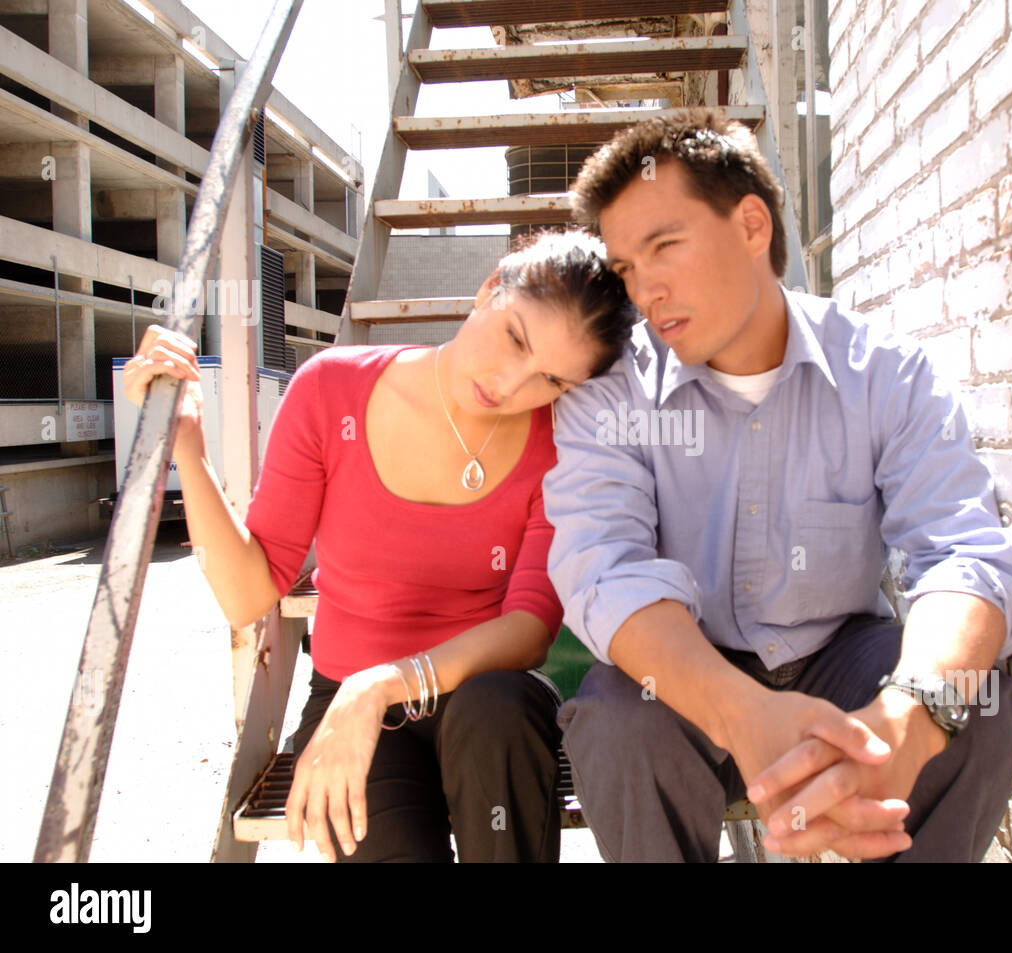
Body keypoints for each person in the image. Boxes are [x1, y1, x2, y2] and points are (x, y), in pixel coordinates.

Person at [543, 110, 1012, 862]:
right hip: (688, 662)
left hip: (840, 651)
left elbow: (964, 555)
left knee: (979, 699)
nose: (645, 289)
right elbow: (603, 571)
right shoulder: (608, 394)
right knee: (617, 713)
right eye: (625, 269)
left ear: (752, 225)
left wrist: (910, 714)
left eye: (664, 246)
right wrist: (743, 712)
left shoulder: (886, 373)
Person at [125, 229, 637, 862]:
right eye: (515, 337)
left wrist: (382, 685)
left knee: (497, 707)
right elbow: (249, 593)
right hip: (346, 702)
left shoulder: (556, 443)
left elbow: (530, 628)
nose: (511, 384)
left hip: (482, 707)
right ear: (489, 290)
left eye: (550, 379)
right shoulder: (329, 391)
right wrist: (189, 452)